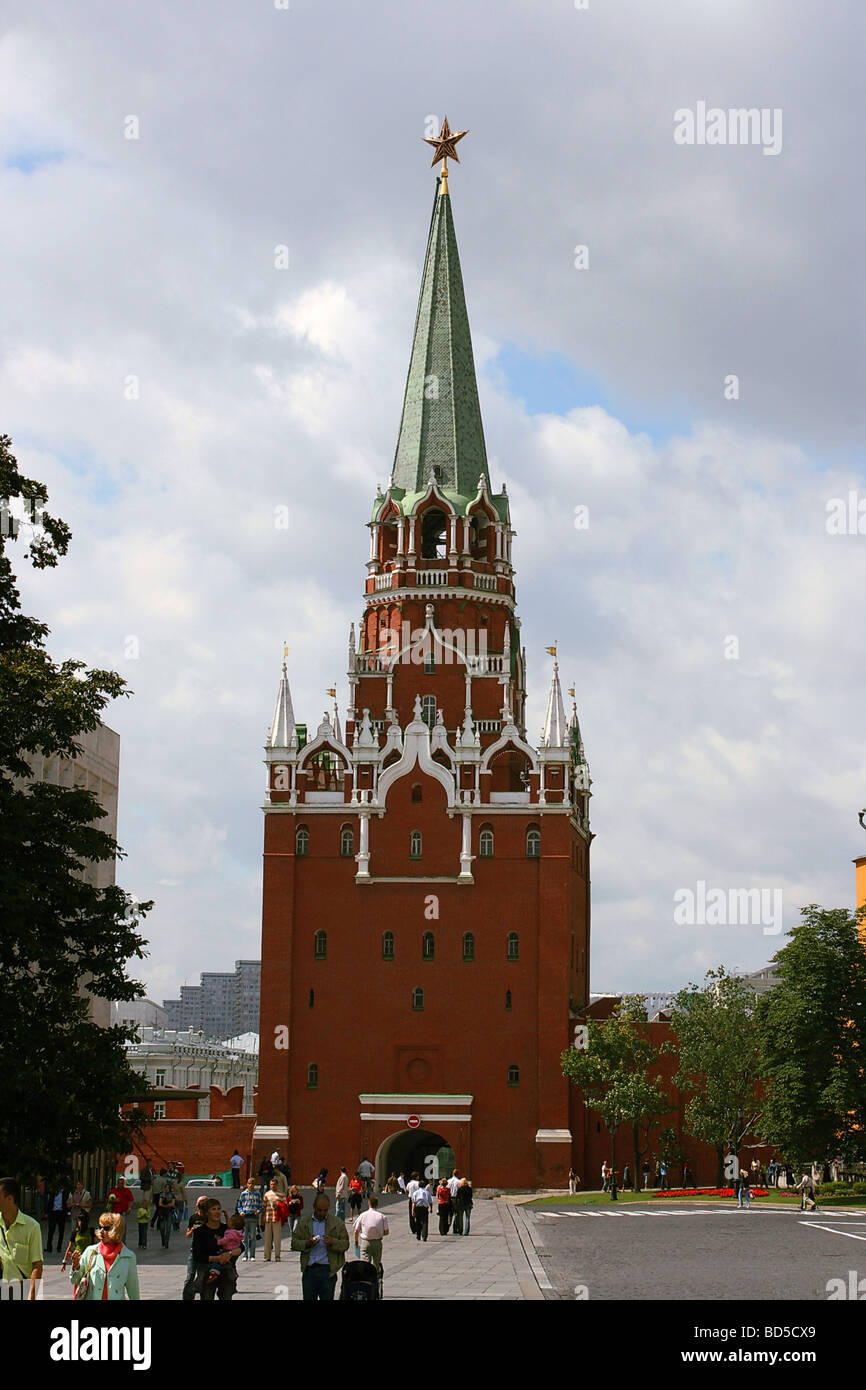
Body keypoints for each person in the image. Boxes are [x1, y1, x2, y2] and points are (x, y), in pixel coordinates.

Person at [291, 1192, 349, 1300]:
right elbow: (294, 1243)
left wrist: (333, 1242)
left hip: (328, 1271)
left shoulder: (337, 1223)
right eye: (319, 1210)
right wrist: (307, 1243)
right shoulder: (304, 1222)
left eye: (325, 1210)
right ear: (314, 1207)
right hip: (310, 1270)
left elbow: (345, 1244)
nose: (322, 1213)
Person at [70, 1212, 140, 1300]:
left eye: (106, 1228)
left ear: (117, 1229)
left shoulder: (128, 1257)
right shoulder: (90, 1252)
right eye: (100, 1227)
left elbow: (133, 1291)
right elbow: (75, 1280)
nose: (101, 1231)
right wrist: (76, 1266)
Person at [0, 1175, 44, 1300]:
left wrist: (32, 1295)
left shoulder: (32, 1227)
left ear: (9, 1199)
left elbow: (37, 1265)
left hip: (19, 1292)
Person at [184, 1198, 235, 1300]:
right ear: (207, 1213)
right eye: (213, 1209)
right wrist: (216, 1258)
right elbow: (197, 1255)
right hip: (207, 1271)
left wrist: (230, 1254)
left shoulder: (225, 1229)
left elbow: (240, 1246)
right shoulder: (200, 1231)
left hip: (225, 1271)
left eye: (218, 1209)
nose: (217, 1212)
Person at [206, 1214, 245, 1285]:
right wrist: (227, 1217)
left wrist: (217, 1241)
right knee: (228, 1263)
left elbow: (225, 1240)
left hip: (227, 1249)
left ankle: (214, 1272)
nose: (227, 1222)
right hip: (234, 1249)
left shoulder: (231, 1233)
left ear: (232, 1226)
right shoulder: (238, 1232)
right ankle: (232, 1274)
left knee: (218, 1260)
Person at [353, 1194, 389, 1268]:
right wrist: (379, 1233)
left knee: (365, 1265)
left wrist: (356, 1241)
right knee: (376, 1264)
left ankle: (366, 1278)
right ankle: (376, 1277)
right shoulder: (382, 1216)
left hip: (366, 1242)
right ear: (377, 1205)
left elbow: (356, 1231)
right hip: (377, 1242)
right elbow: (386, 1232)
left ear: (369, 1204)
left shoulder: (363, 1215)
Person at [236, 1177, 262, 1260]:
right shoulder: (243, 1194)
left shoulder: (257, 1194)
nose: (251, 1185)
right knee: (244, 1237)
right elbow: (239, 1205)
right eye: (249, 1183)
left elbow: (260, 1205)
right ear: (247, 1184)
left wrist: (258, 1211)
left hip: (253, 1217)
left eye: (252, 1184)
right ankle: (244, 1255)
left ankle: (252, 1255)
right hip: (245, 1217)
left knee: (253, 1237)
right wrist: (241, 1212)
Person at [261, 1178, 285, 1261]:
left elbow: (285, 1206)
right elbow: (263, 1207)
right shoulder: (266, 1194)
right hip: (268, 1218)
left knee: (277, 1239)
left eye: (274, 1184)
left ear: (277, 1185)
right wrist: (262, 1218)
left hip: (277, 1219)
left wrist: (279, 1206)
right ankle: (267, 1256)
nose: (273, 1186)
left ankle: (277, 1256)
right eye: (271, 1184)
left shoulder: (281, 1195)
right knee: (267, 1239)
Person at [45, 1183, 70, 1254]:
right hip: (53, 1213)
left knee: (61, 1231)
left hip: (61, 1213)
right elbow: (49, 1203)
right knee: (51, 1231)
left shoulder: (65, 1193)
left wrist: (67, 1212)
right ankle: (49, 1247)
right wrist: (47, 1213)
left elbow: (68, 1202)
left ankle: (59, 1247)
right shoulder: (52, 1193)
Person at [156, 1183, 176, 1248]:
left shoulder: (172, 1195)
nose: (167, 1189)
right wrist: (167, 1205)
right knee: (162, 1228)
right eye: (166, 1188)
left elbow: (173, 1204)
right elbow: (160, 1203)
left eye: (168, 1188)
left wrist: (165, 1205)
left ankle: (166, 1243)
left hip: (169, 1212)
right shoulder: (162, 1194)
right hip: (162, 1212)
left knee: (168, 1229)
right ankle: (163, 1240)